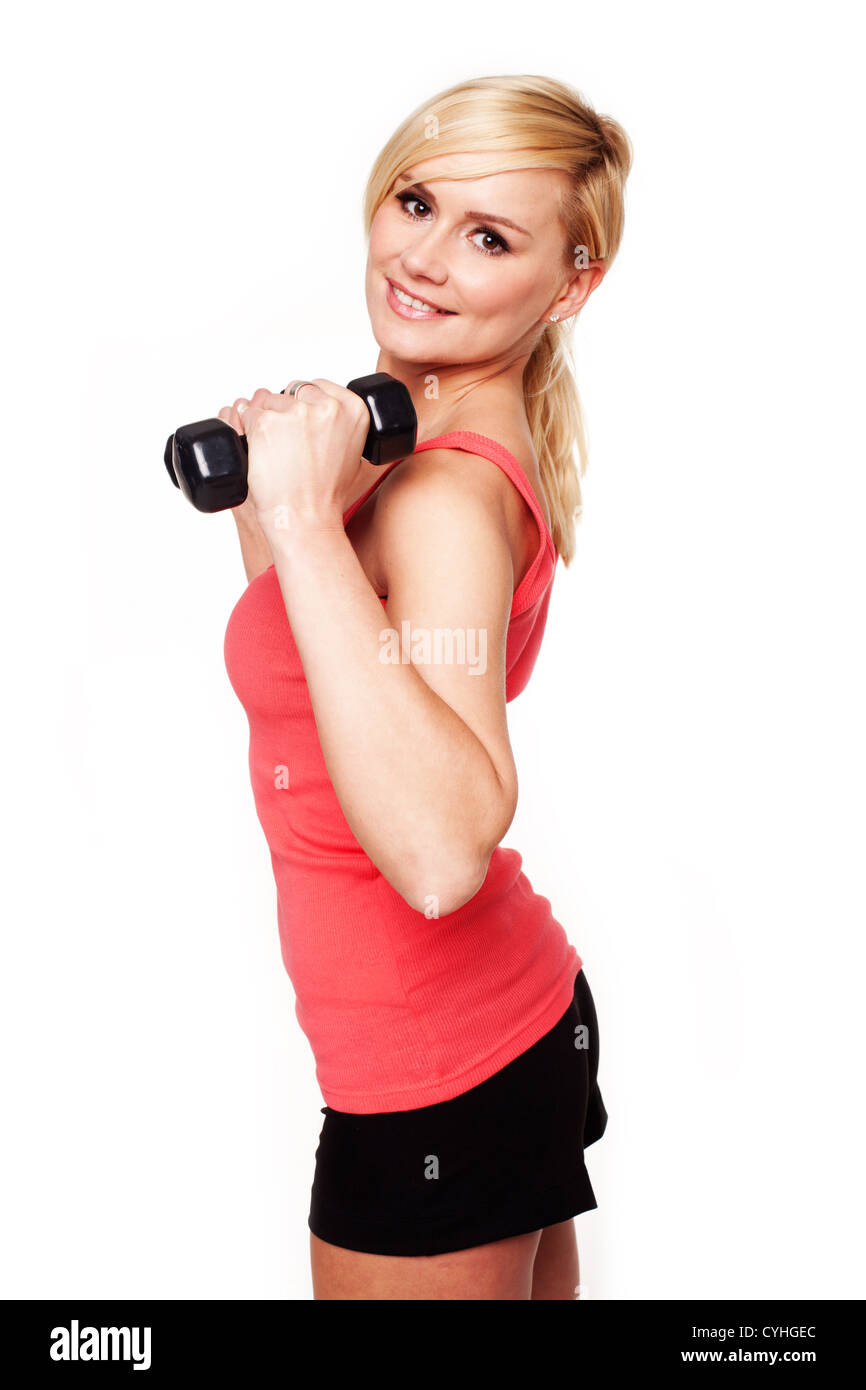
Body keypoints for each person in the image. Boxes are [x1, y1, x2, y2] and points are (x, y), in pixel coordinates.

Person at [221, 73, 632, 1300]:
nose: (426, 259)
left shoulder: (449, 496)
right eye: (416, 202)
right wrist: (288, 502)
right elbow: (332, 693)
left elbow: (444, 852)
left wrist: (300, 520)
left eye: (489, 236)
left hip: (436, 1068)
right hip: (491, 1032)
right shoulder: (407, 454)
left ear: (570, 283)